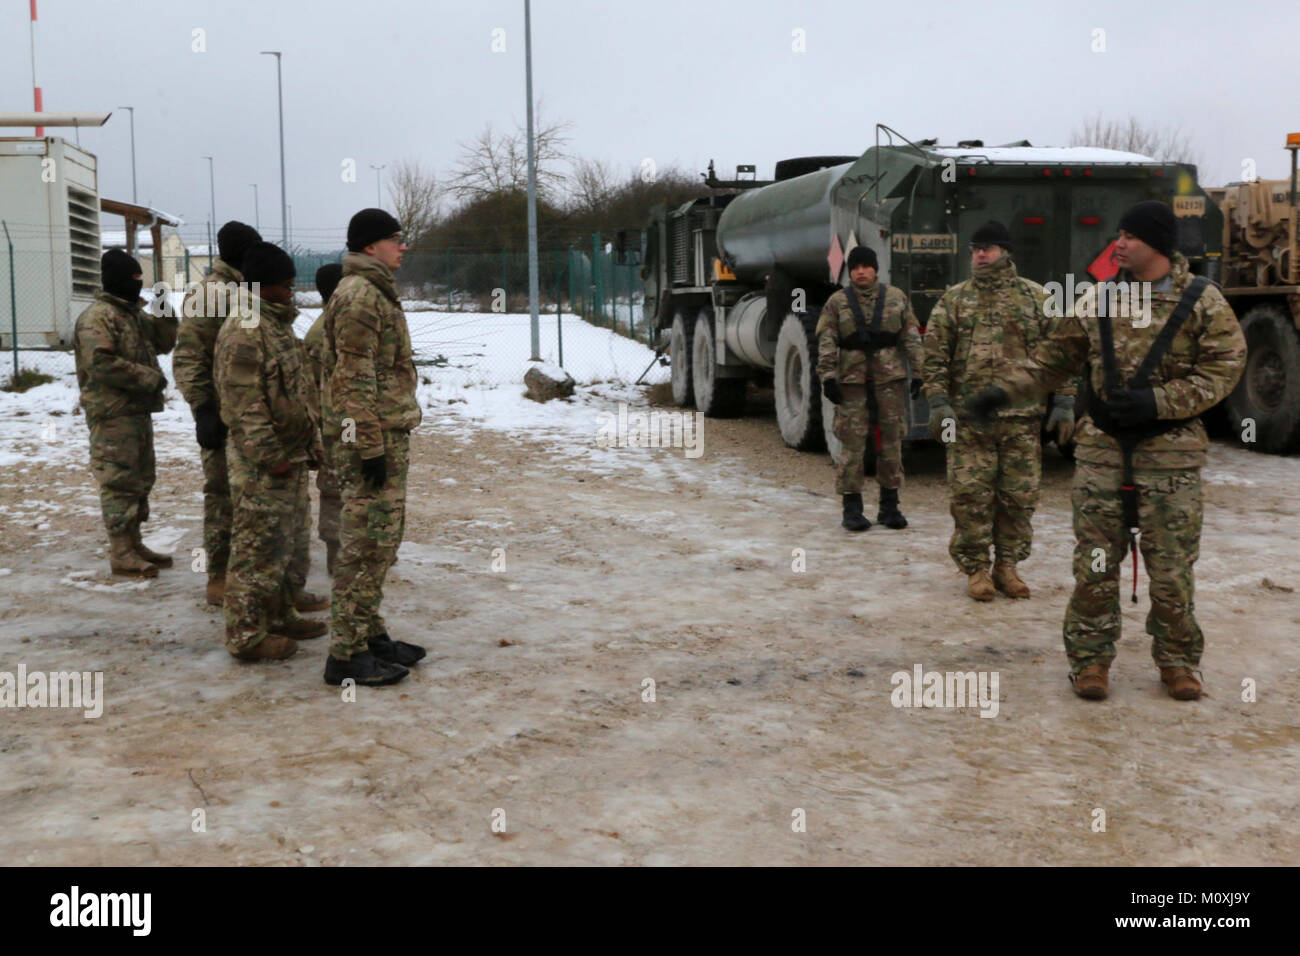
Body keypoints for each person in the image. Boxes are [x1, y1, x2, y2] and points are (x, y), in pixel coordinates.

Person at [967, 201, 1246, 700]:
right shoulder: (1097, 300)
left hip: (1171, 459)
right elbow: (1052, 361)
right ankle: (1091, 662)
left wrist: (1158, 401)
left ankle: (1179, 663)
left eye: (1129, 237)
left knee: (1171, 571)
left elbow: (1224, 371)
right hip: (1101, 456)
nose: (1117, 244)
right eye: (1117, 234)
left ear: (1157, 245)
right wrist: (1002, 392)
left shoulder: (1204, 301)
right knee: (1094, 565)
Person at [922, 221, 1076, 601]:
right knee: (970, 497)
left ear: (1006, 252)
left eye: (987, 248)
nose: (979, 254)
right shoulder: (955, 300)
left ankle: (1007, 566)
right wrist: (939, 401)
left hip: (1022, 420)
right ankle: (976, 569)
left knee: (1018, 498)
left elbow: (1061, 354)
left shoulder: (1037, 298)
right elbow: (934, 356)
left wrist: (1065, 401)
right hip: (969, 420)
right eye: (975, 248)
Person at [321, 209, 425, 687]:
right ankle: (345, 653)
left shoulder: (374, 290)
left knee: (382, 541)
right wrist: (369, 446)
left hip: (384, 432)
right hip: (370, 438)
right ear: (370, 246)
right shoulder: (361, 296)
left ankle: (369, 632)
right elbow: (352, 378)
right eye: (395, 240)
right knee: (365, 544)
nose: (402, 247)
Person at [213, 243, 328, 661]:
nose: (291, 291)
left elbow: (297, 392)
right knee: (256, 550)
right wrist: (269, 455)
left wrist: (310, 443)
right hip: (263, 464)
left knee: (285, 546)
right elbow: (244, 404)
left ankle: (279, 614)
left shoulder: (275, 325)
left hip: (289, 456)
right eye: (285, 284)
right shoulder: (246, 329)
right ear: (264, 286)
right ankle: (245, 635)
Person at [73, 250, 178, 576]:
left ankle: (134, 543)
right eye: (132, 280)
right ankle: (121, 551)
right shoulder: (98, 317)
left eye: (140, 280)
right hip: (112, 414)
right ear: (116, 280)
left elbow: (163, 342)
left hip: (135, 412)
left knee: (140, 479)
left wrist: (162, 304)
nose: (138, 285)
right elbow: (100, 363)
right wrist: (147, 378)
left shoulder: (131, 315)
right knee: (118, 481)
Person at [174, 221, 260, 606]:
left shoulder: (249, 289)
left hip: (254, 413)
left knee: (258, 498)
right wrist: (203, 409)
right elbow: (189, 356)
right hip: (223, 415)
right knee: (222, 495)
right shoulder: (210, 293)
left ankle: (257, 576)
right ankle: (219, 577)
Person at [816, 245, 925, 531]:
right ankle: (851, 508)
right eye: (855, 267)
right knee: (852, 445)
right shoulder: (837, 303)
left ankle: (890, 507)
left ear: (876, 268)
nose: (860, 271)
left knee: (891, 443)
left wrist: (920, 374)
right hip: (851, 384)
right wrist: (827, 378)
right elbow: (826, 341)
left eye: (866, 265)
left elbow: (911, 338)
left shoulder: (896, 298)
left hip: (889, 382)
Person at [303, 263, 344, 574]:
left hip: (337, 423)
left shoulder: (324, 328)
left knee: (341, 488)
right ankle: (337, 552)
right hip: (334, 425)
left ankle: (348, 548)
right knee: (334, 488)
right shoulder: (326, 332)